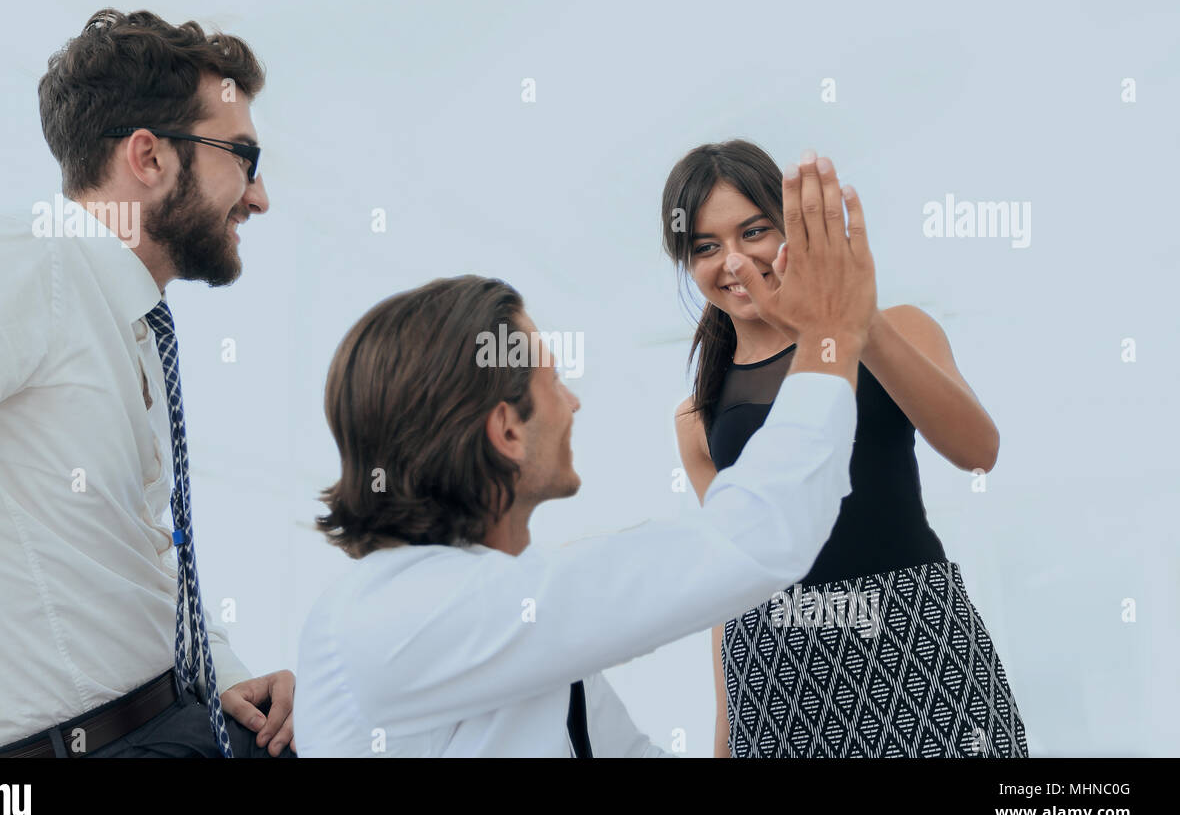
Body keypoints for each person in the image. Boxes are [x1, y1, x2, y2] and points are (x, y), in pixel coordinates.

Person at [294, 153, 876, 756]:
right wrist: (830, 335)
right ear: (507, 431)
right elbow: (754, 537)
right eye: (553, 382)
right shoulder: (406, 618)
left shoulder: (508, 623)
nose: (572, 404)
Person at [0, 9, 294, 758]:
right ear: (148, 156)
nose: (259, 197)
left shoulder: (125, 315)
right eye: (243, 157)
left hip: (178, 723)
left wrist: (224, 672)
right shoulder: (14, 263)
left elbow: (140, 546)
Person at [664, 142, 1027, 757]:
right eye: (705, 246)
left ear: (792, 229)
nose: (734, 261)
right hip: (779, 674)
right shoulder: (698, 416)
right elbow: (732, 581)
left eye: (753, 230)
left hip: (917, 643)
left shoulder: (900, 327)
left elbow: (978, 450)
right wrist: (724, 743)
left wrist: (856, 322)